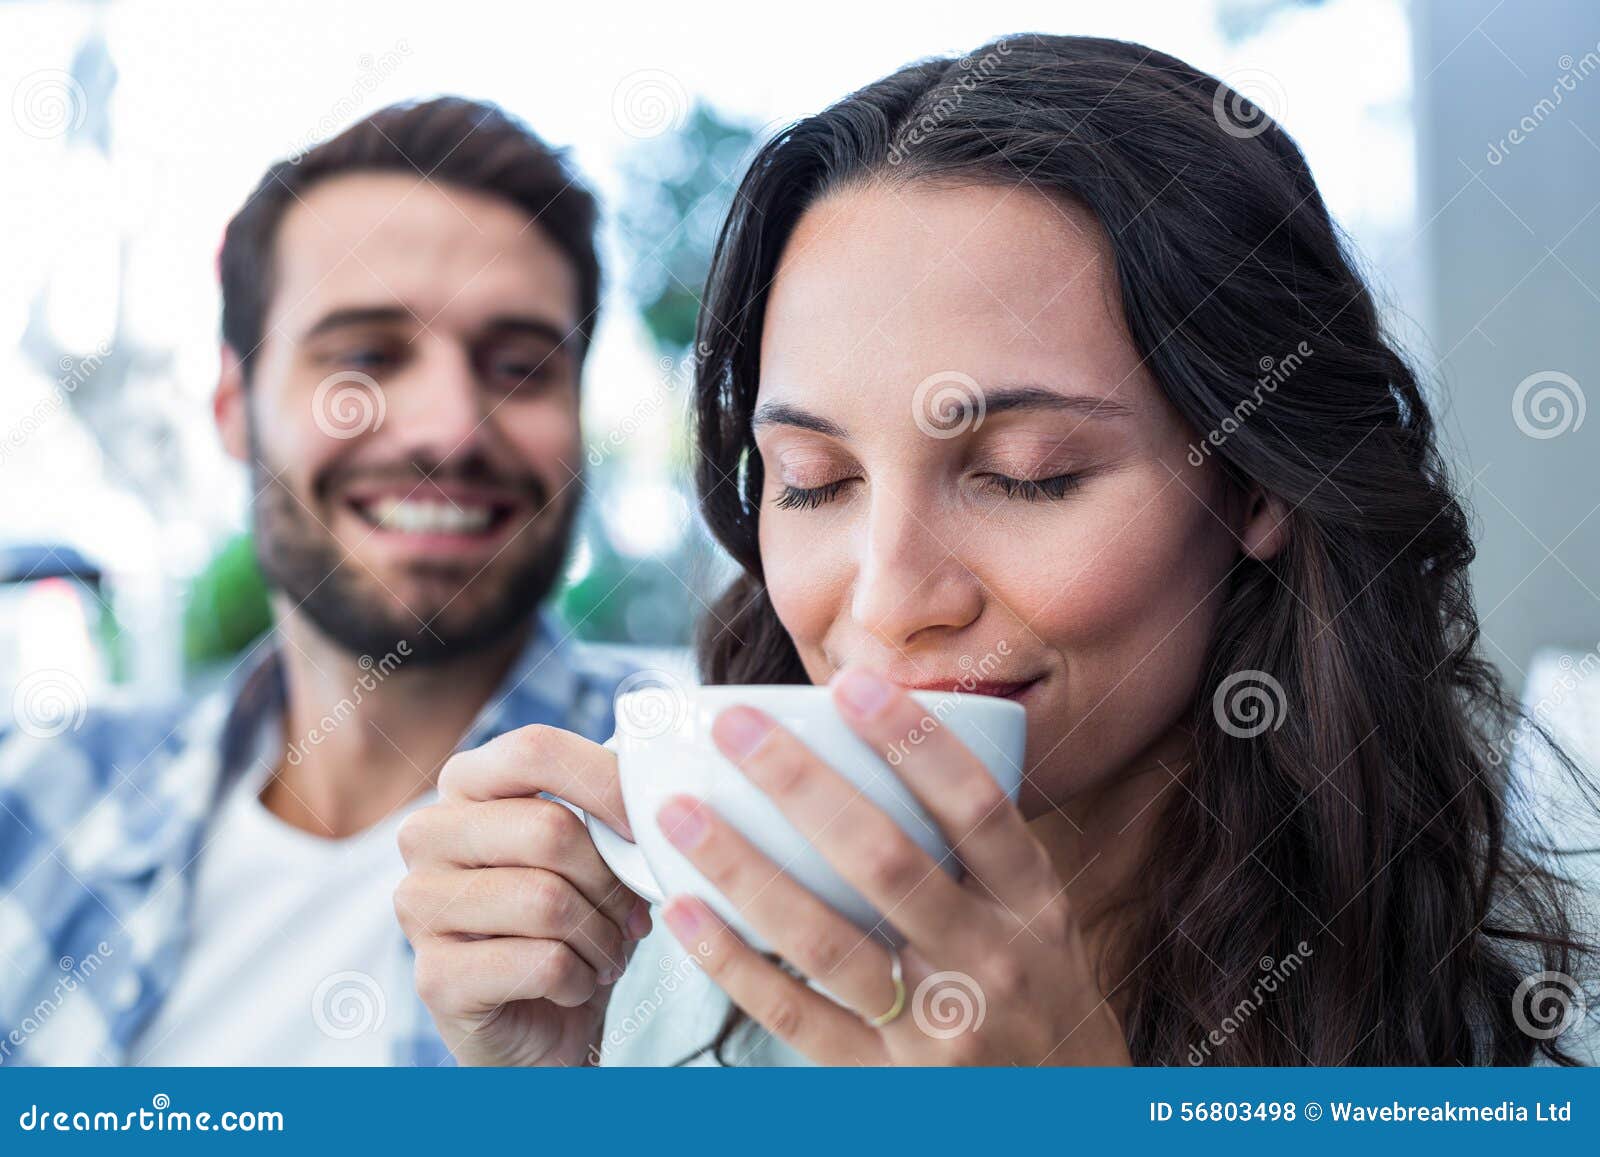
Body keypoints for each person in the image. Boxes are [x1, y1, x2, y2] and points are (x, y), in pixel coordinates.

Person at [398, 35, 1599, 1066]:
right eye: (815, 482)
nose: (889, 598)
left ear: (1252, 483)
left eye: (1027, 474)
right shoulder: (670, 978)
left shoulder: (1537, 1019)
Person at [0, 97, 637, 1066]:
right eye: (365, 357)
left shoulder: (722, 828)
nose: (450, 428)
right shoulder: (36, 797)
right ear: (232, 406)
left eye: (520, 365)